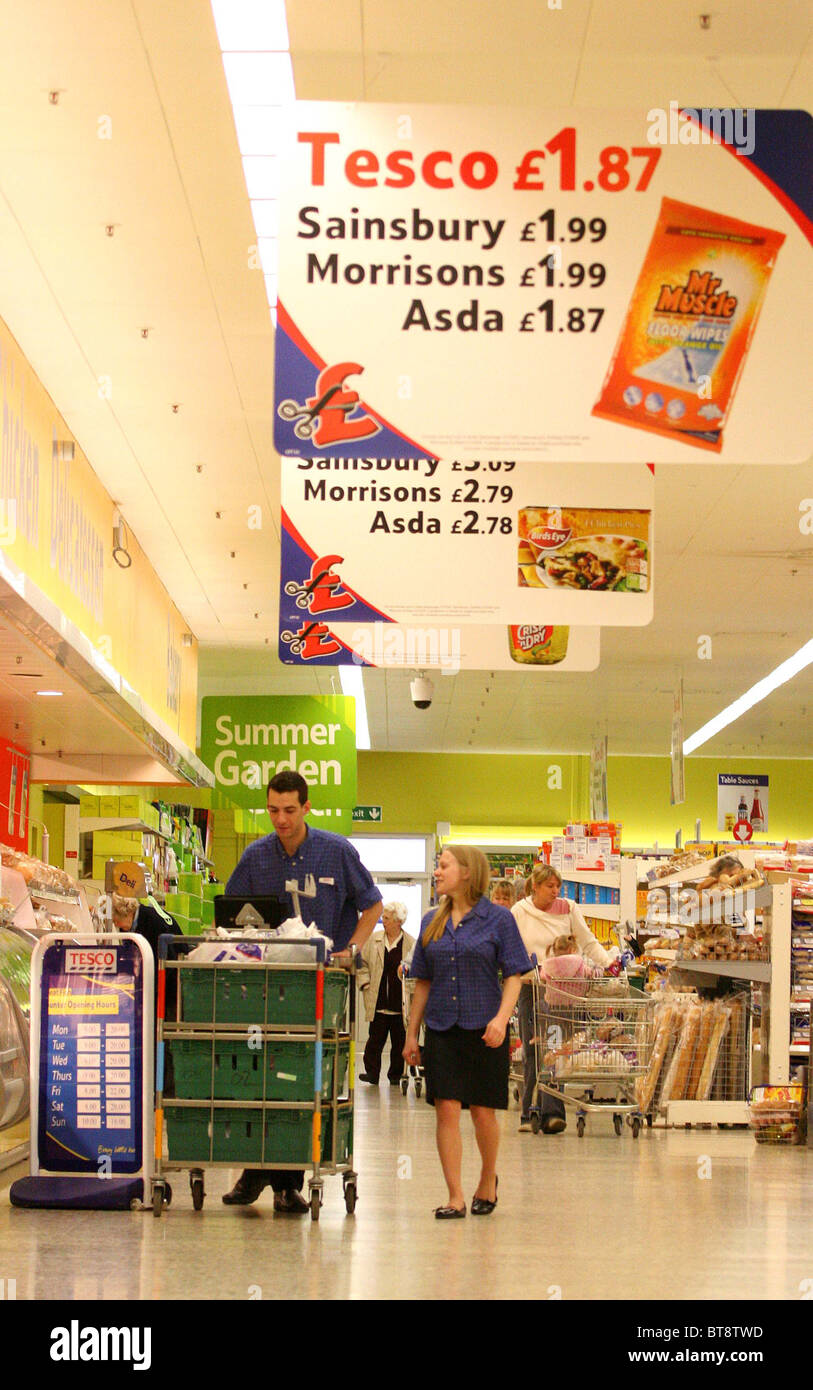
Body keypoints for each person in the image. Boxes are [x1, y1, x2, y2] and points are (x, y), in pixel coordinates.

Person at [220, 770, 383, 1212]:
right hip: (266, 985)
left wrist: (353, 949)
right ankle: (254, 1173)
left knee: (299, 1077)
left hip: (320, 984)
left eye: (289, 810)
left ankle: (287, 1182)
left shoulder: (336, 852)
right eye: (273, 810)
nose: (281, 819)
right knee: (257, 1074)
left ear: (306, 807)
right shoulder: (256, 857)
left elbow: (373, 905)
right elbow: (231, 913)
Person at [403, 845, 532, 1219]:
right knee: (445, 1110)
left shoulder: (499, 920)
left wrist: (501, 1019)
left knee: (482, 1112)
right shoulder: (431, 920)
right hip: (442, 1026)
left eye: (444, 866)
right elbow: (422, 981)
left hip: (484, 1028)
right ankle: (455, 1196)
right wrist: (412, 1034)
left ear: (467, 873)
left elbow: (514, 975)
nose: (437, 872)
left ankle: (487, 1181)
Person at [512, 865, 616, 1134]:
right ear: (535, 886)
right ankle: (528, 1112)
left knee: (556, 1049)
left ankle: (552, 1114)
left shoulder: (568, 908)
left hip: (564, 993)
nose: (555, 891)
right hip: (531, 987)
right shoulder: (520, 912)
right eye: (549, 886)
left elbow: (588, 941)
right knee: (534, 1049)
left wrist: (609, 964)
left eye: (558, 886)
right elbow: (509, 946)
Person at [357, 902, 416, 1086]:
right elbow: (361, 963)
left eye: (387, 918)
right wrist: (365, 983)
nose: (383, 921)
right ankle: (372, 1073)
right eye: (383, 917)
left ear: (399, 921)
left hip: (400, 1004)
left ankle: (396, 1076)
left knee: (399, 1043)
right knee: (375, 1040)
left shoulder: (410, 943)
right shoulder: (374, 939)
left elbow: (416, 968)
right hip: (379, 1000)